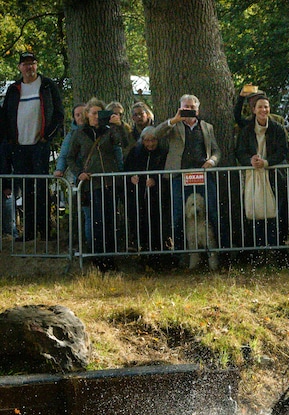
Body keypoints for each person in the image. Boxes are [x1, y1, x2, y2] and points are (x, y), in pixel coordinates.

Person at [3, 52, 64, 242]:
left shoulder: (47, 86)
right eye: (25, 64)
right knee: (26, 188)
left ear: (37, 65)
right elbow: (5, 117)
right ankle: (28, 231)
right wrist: (11, 140)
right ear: (19, 67)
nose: (29, 67)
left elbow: (59, 113)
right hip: (20, 147)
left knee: (42, 188)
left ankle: (45, 230)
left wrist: (47, 136)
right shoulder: (14, 89)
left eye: (32, 63)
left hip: (40, 145)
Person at [153, 93, 223, 256]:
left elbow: (216, 151)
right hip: (179, 176)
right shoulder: (174, 126)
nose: (189, 109)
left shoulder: (206, 127)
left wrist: (211, 161)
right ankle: (181, 255)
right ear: (180, 108)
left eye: (192, 107)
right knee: (178, 214)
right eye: (186, 107)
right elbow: (156, 134)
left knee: (212, 210)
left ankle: (218, 252)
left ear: (197, 110)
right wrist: (174, 120)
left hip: (202, 175)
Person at [65, 101, 122, 262]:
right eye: (94, 113)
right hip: (92, 184)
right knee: (97, 221)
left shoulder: (108, 131)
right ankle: (97, 257)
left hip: (110, 182)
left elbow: (122, 143)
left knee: (111, 219)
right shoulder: (79, 133)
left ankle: (110, 257)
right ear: (87, 114)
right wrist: (79, 173)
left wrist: (118, 125)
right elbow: (70, 157)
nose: (97, 116)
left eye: (100, 113)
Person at [235, 93, 289, 248]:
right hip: (254, 175)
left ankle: (277, 247)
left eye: (266, 107)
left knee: (276, 211)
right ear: (254, 110)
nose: (263, 110)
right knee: (254, 211)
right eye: (260, 107)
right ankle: (255, 248)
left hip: (274, 175)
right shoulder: (247, 130)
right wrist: (250, 160)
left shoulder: (278, 128)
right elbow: (240, 151)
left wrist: (266, 162)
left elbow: (283, 151)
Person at [123, 128, 168, 252]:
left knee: (155, 223)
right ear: (142, 140)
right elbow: (126, 169)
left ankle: (157, 250)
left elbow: (166, 172)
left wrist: (155, 180)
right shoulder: (135, 152)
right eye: (147, 140)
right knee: (138, 221)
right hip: (138, 195)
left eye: (153, 140)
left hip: (156, 196)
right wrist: (131, 177)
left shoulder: (163, 153)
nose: (150, 144)